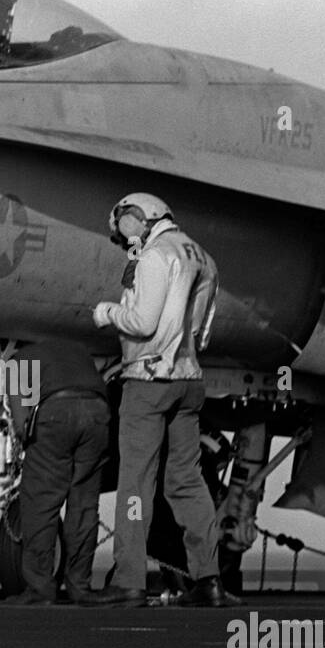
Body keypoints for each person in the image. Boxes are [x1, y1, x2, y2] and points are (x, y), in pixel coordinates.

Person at [92, 192, 242, 608]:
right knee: (187, 482)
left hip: (149, 381)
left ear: (142, 217)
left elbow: (142, 323)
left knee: (135, 484)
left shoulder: (155, 256)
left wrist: (106, 313)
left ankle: (129, 581)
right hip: (189, 381)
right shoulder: (204, 258)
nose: (126, 240)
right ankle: (209, 580)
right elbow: (203, 334)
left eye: (126, 227)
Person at [4, 340, 111, 605]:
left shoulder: (19, 360)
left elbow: (21, 421)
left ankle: (40, 588)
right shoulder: (78, 351)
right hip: (98, 415)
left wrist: (24, 444)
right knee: (84, 506)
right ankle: (80, 586)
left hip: (56, 413)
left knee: (41, 503)